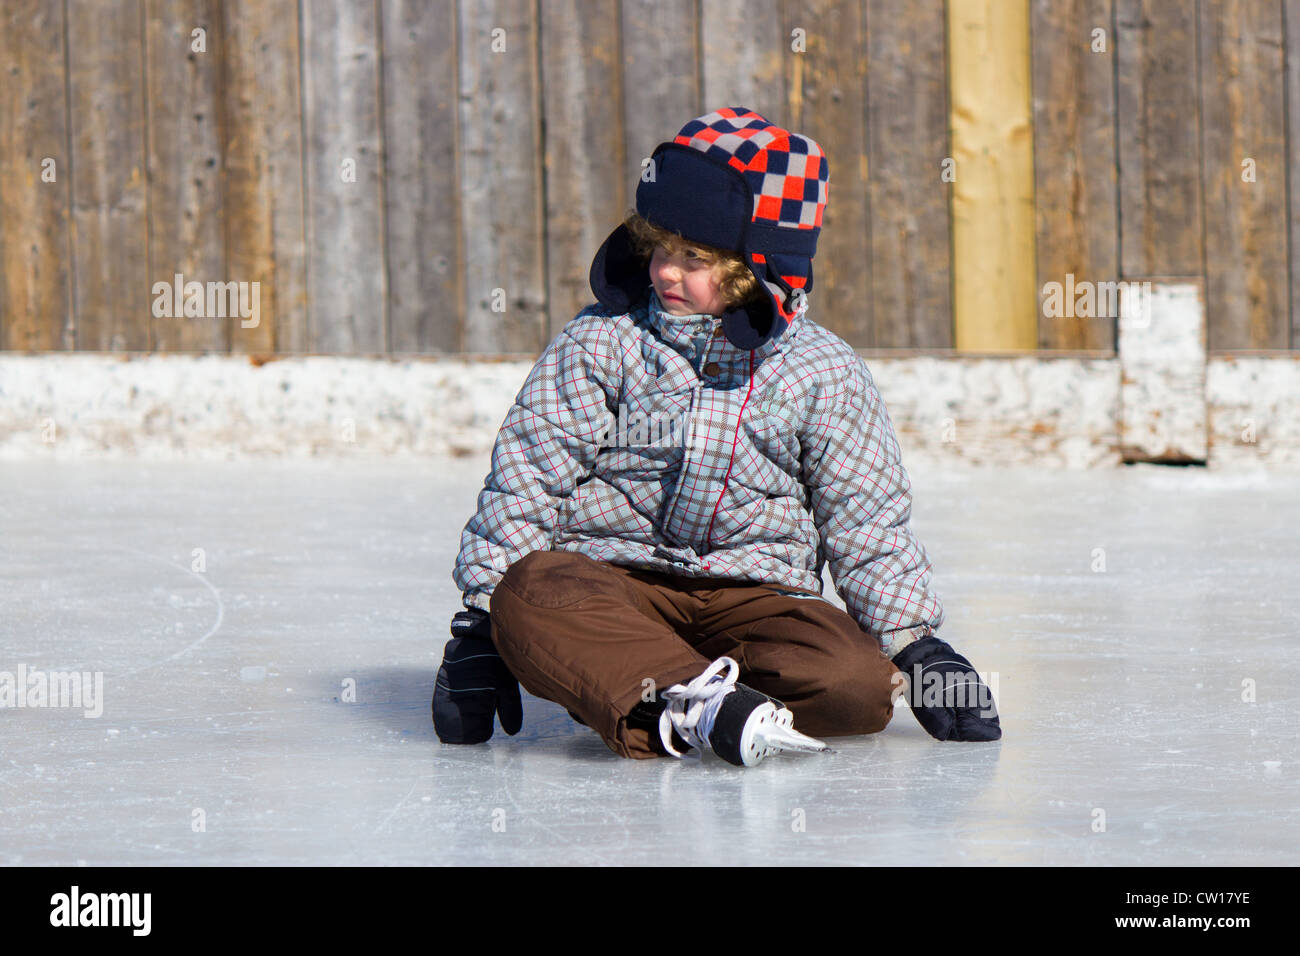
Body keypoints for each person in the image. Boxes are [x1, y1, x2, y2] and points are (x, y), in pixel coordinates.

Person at [434, 107, 1000, 767]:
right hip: (616, 586)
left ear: (754, 266)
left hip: (756, 598)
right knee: (531, 594)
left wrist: (918, 647)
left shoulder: (821, 370)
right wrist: (479, 623)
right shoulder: (602, 343)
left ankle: (670, 692)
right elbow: (529, 476)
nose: (666, 271)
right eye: (659, 246)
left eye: (694, 257)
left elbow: (864, 518)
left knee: (857, 686)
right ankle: (695, 700)